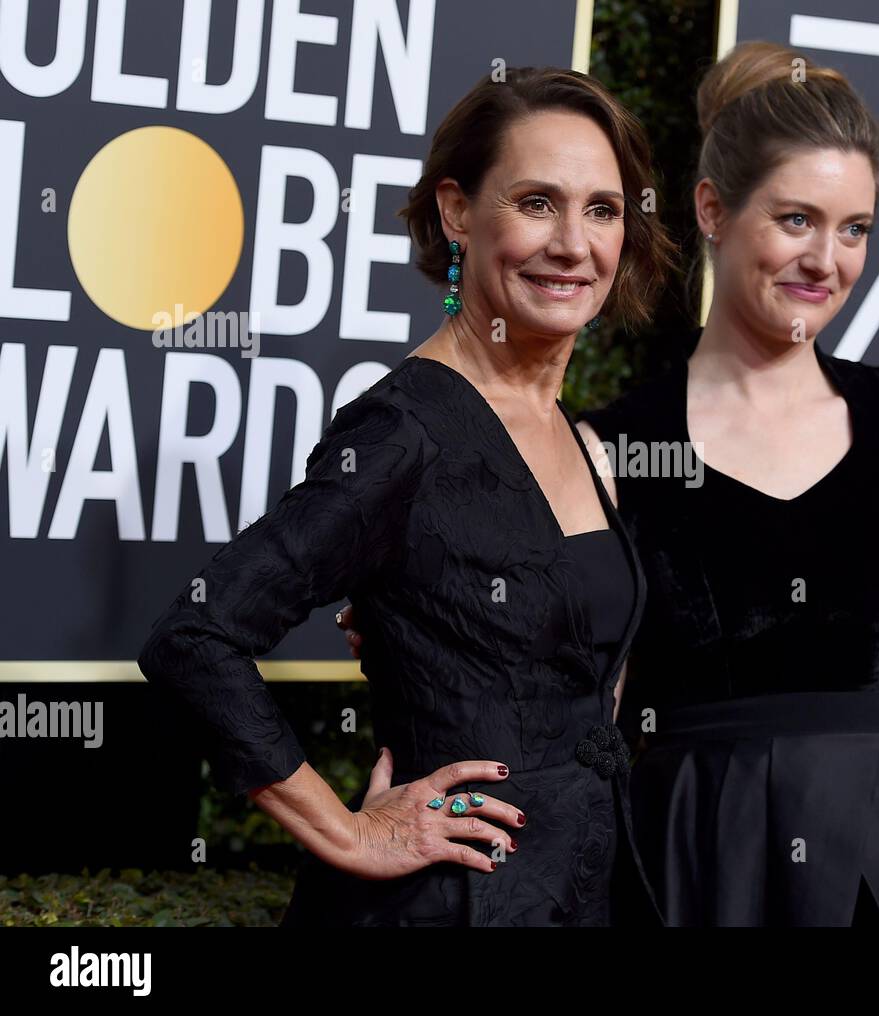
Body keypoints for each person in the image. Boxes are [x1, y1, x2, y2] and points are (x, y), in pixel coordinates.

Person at [137, 65, 674, 927]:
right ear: (458, 213)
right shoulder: (404, 433)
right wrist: (349, 833)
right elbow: (194, 637)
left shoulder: (579, 440)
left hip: (587, 885)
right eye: (537, 202)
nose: (575, 243)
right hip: (452, 902)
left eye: (603, 209)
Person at [572, 41, 879, 926]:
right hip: (693, 859)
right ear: (713, 210)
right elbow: (584, 717)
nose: (826, 261)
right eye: (797, 220)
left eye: (854, 229)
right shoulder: (610, 451)